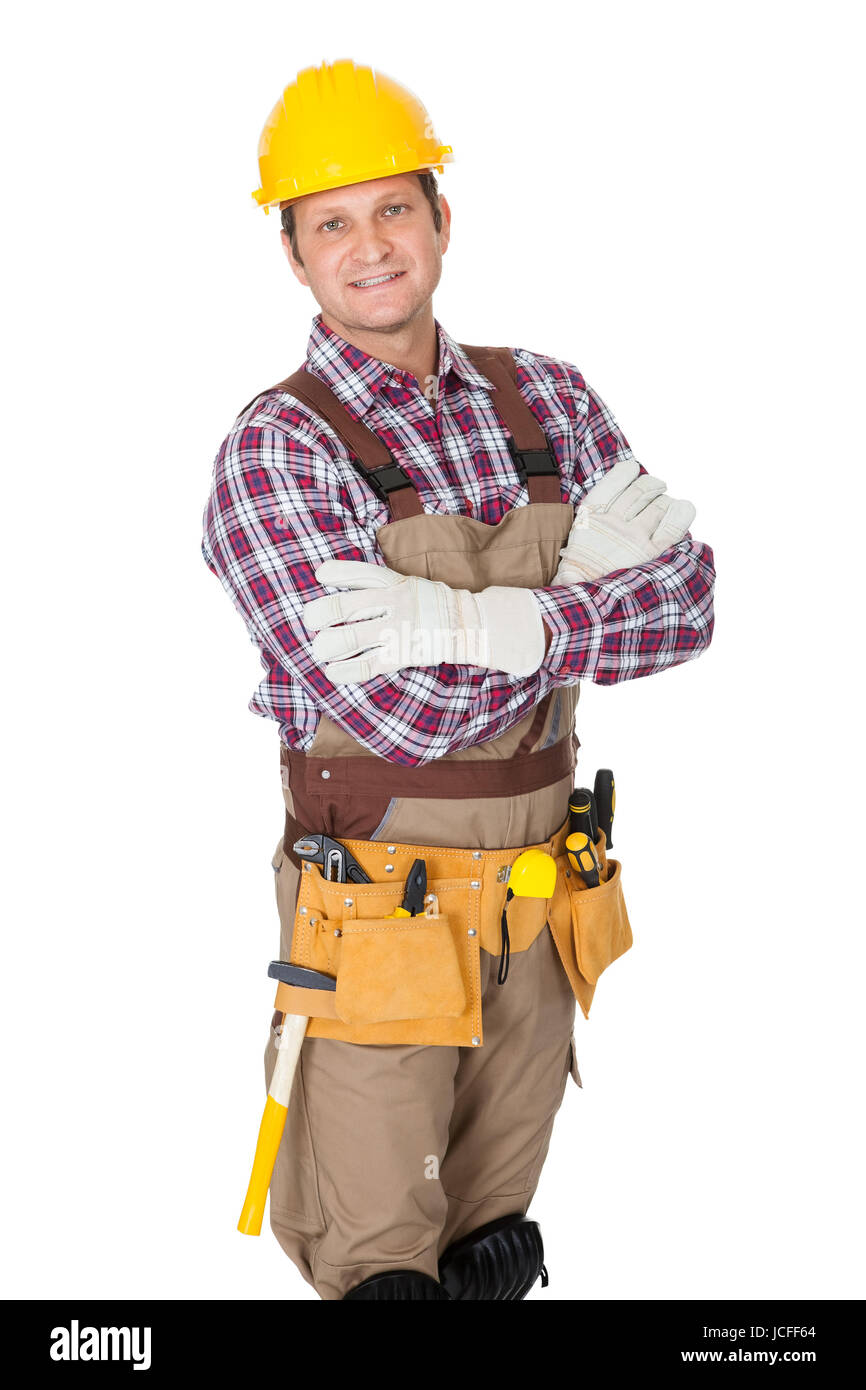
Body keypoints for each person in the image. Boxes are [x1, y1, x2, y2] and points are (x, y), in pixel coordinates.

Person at [201, 58, 716, 1301]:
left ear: (441, 219)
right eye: (331, 222)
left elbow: (691, 606)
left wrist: (498, 628)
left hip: (542, 896)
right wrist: (579, 600)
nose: (368, 245)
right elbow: (393, 715)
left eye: (392, 208)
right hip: (378, 900)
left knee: (494, 1242)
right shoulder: (276, 449)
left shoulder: (545, 395)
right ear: (295, 254)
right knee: (377, 1261)